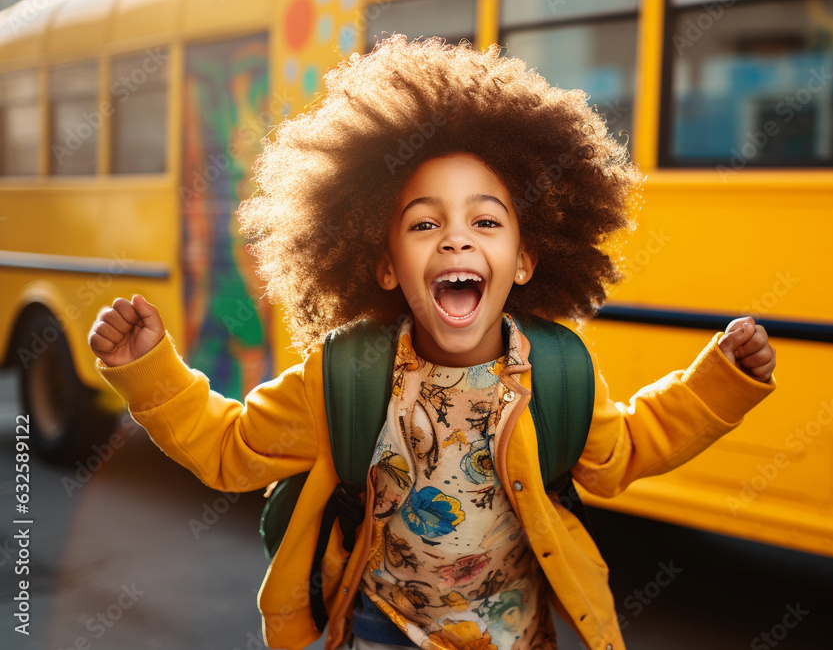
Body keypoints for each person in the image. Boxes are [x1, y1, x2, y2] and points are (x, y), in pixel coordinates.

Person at [89, 34, 777, 650]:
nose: (456, 237)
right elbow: (231, 451)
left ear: (527, 258)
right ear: (382, 262)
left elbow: (622, 452)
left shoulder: (558, 371)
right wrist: (150, 372)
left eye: (486, 220)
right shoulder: (344, 376)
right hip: (378, 630)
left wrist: (719, 381)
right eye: (424, 224)